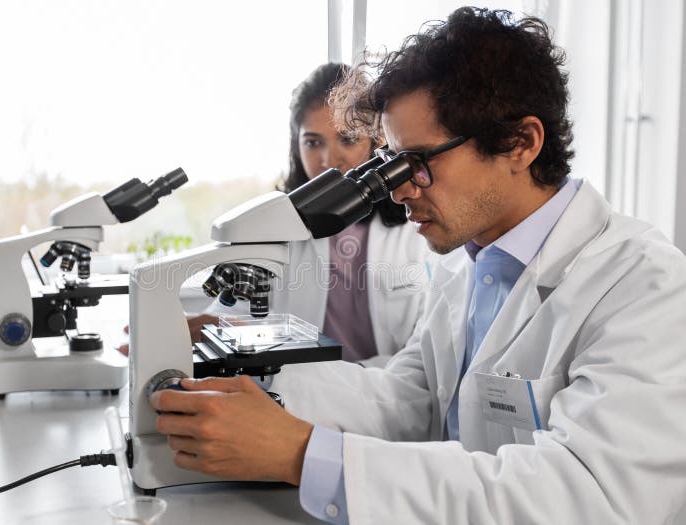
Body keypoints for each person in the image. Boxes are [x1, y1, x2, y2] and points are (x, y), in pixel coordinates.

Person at [150, 7, 686, 524]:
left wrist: (301, 454)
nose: (400, 189)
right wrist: (251, 395)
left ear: (520, 143)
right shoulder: (465, 267)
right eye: (391, 163)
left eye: (419, 162)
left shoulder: (646, 287)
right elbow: (405, 397)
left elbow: (589, 498)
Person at [121, 63, 434, 365]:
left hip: (383, 393)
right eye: (313, 142)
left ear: (376, 142)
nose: (329, 160)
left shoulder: (420, 230)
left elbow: (420, 358)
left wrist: (338, 383)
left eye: (348, 139)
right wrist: (205, 326)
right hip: (291, 394)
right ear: (296, 146)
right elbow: (236, 314)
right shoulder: (275, 226)